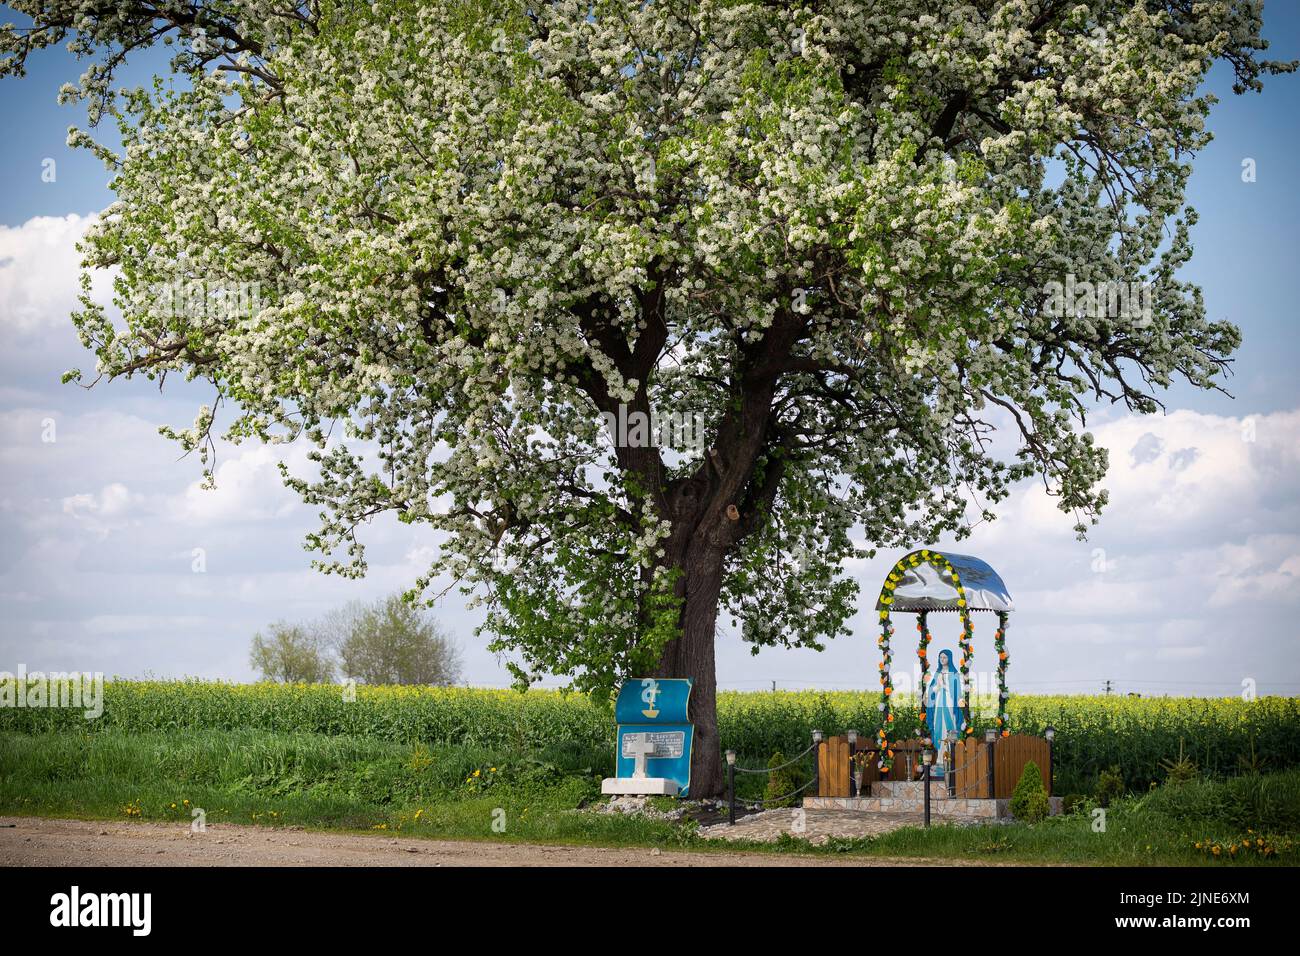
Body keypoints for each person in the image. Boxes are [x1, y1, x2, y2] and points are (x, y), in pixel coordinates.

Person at [925, 649, 965, 776]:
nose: (942, 660)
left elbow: (956, 692)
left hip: (949, 704)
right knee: (939, 728)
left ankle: (949, 758)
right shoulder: (937, 674)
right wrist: (938, 686)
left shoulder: (954, 674)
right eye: (940, 657)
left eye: (945, 657)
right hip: (938, 706)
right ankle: (940, 759)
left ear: (949, 658)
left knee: (949, 728)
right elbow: (932, 692)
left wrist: (944, 686)